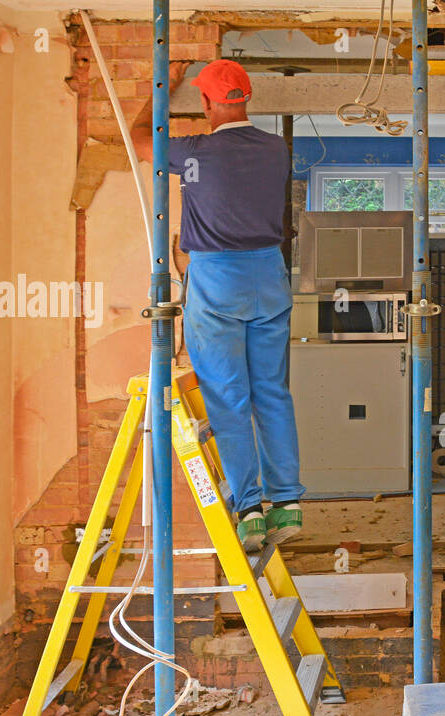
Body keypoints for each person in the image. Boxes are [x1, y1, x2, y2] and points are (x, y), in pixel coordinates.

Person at [131, 59, 304, 551]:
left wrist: (159, 83)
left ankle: (249, 508)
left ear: (207, 103)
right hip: (269, 275)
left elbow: (139, 138)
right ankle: (287, 503)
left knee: (230, 396)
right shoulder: (276, 149)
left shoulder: (194, 152)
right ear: (245, 97)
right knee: (271, 391)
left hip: (218, 278)